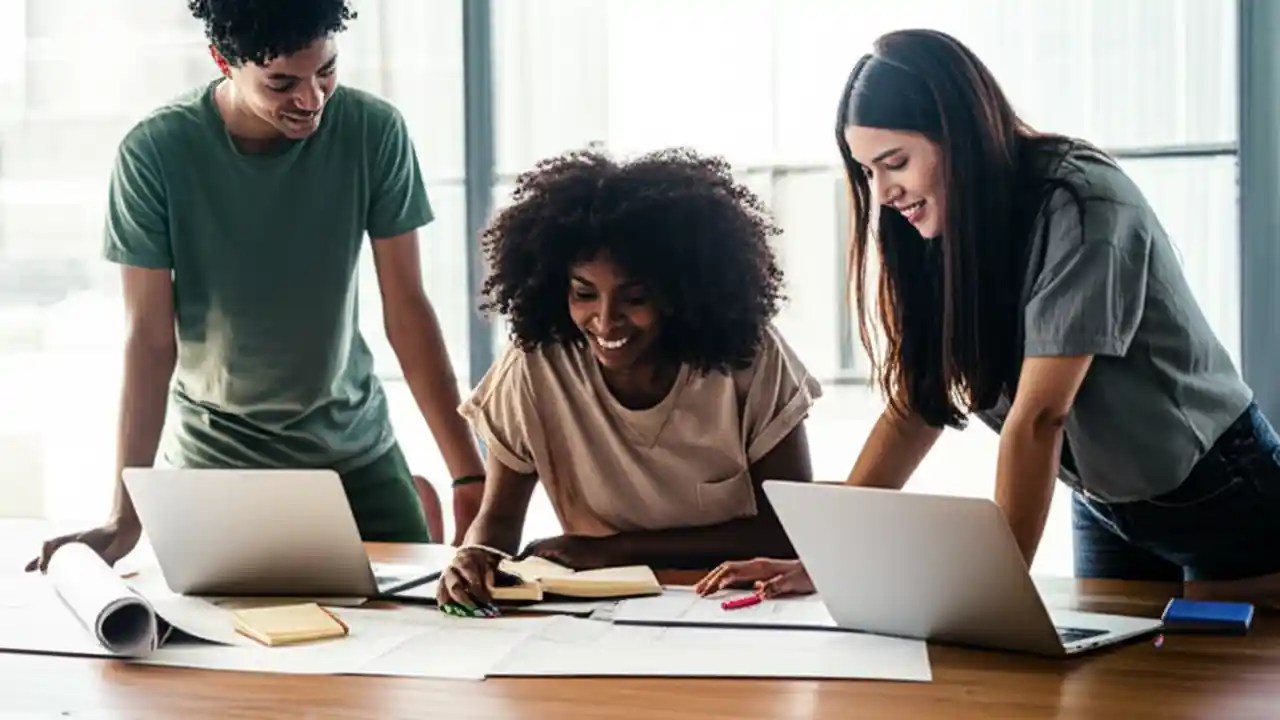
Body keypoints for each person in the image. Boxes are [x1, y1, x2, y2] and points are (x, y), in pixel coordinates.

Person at [698, 28, 1280, 604]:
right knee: (1109, 693)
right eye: (867, 171)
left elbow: (1040, 416)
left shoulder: (1082, 202)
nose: (882, 193)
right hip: (1108, 501)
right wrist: (825, 562)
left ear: (959, 135)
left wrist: (995, 603)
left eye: (895, 163)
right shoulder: (942, 227)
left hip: (1218, 488)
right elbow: (915, 408)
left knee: (1214, 683)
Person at [27, 0, 485, 573]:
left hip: (356, 457)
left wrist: (468, 470)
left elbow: (409, 311)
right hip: (217, 469)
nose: (312, 99)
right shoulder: (156, 153)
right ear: (223, 60)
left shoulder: (374, 131)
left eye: (326, 71)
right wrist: (126, 516)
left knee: (417, 637)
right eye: (281, 83)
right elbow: (148, 341)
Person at [436, 148, 821, 611]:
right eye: (584, 294)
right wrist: (474, 556)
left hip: (734, 606)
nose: (605, 320)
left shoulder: (748, 357)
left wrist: (617, 549)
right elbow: (496, 522)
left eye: (634, 296)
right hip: (598, 614)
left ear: (680, 291)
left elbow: (785, 531)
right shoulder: (535, 365)